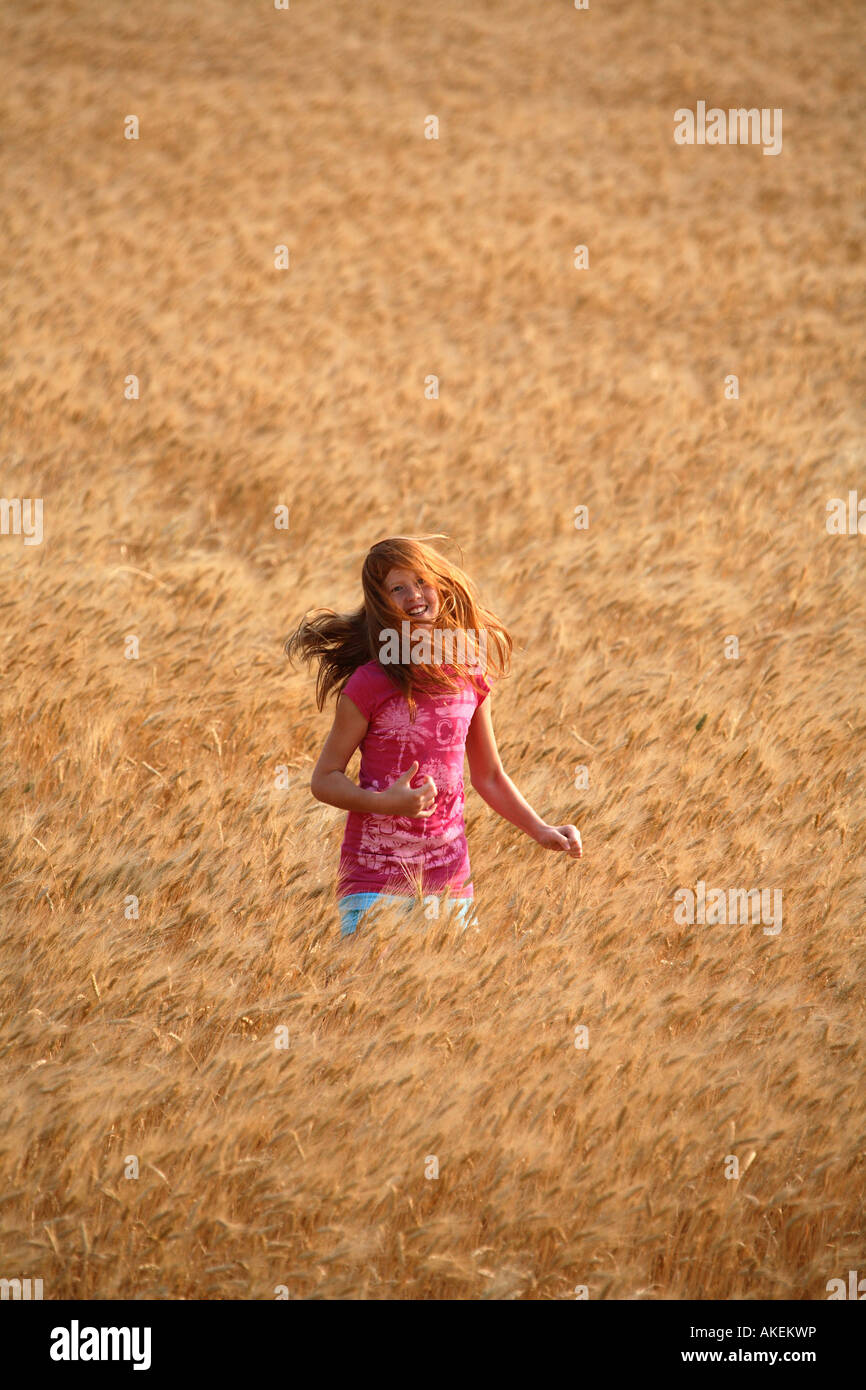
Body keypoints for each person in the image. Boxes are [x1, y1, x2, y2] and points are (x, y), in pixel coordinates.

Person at [285, 535, 582, 938]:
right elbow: (325, 778)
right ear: (381, 603)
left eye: (422, 581)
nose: (415, 595)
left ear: (440, 584)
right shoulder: (370, 683)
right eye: (397, 588)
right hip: (375, 883)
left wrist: (541, 829)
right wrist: (384, 803)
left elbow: (489, 776)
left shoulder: (469, 676)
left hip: (450, 885)